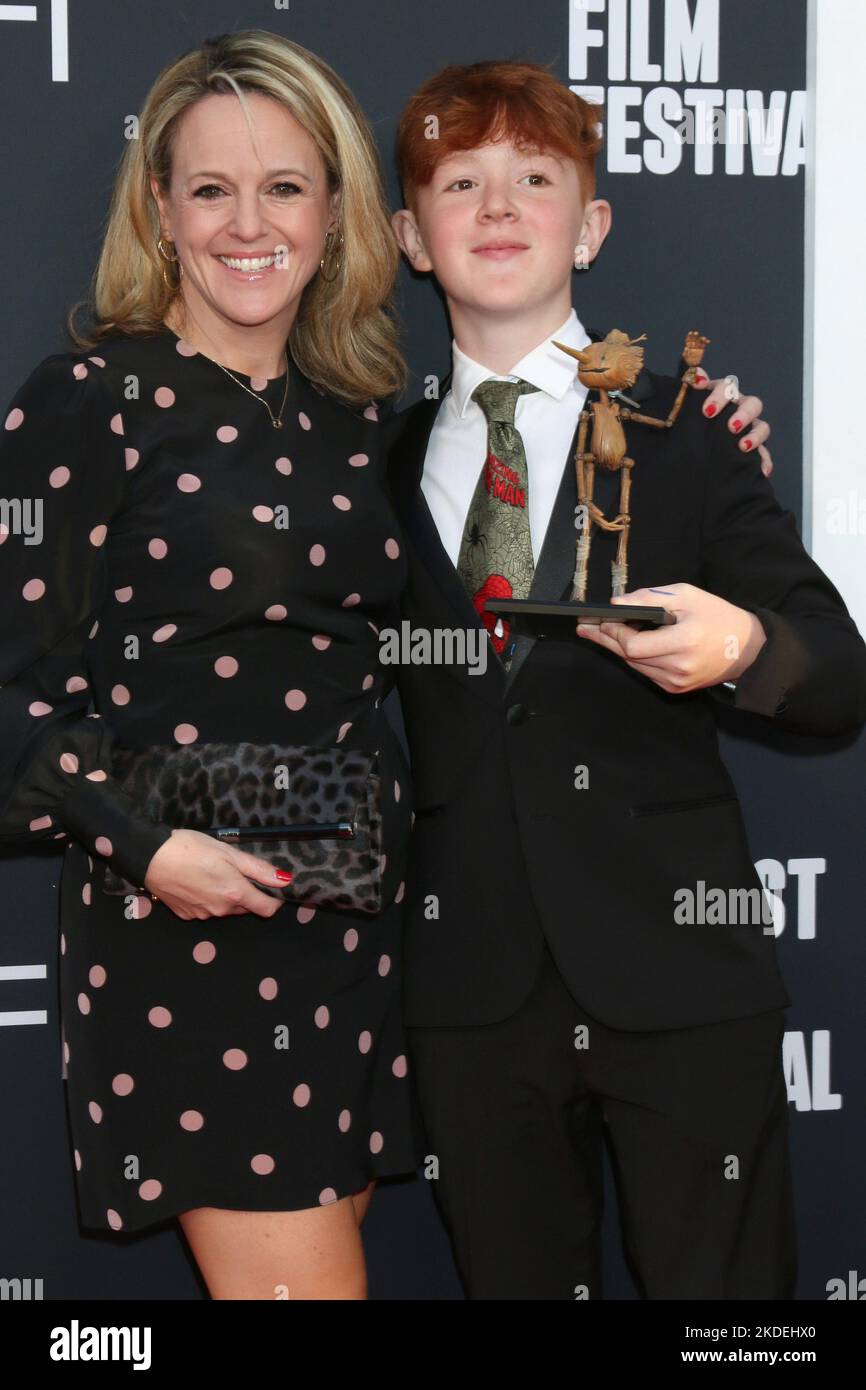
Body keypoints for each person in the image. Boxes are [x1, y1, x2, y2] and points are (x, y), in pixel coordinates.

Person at [385, 60, 866, 1299]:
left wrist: (743, 649)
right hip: (469, 995)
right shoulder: (365, 464)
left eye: (535, 180)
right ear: (409, 237)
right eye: (460, 181)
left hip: (678, 976)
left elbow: (837, 676)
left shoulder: (684, 429)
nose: (498, 208)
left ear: (589, 227)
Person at [0, 30, 423, 1300]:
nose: (251, 223)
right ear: (161, 210)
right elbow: (11, 690)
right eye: (212, 189)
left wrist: (689, 434)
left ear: (337, 210)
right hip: (183, 931)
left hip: (351, 924)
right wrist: (147, 846)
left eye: (284, 187)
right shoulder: (89, 400)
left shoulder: (363, 421)